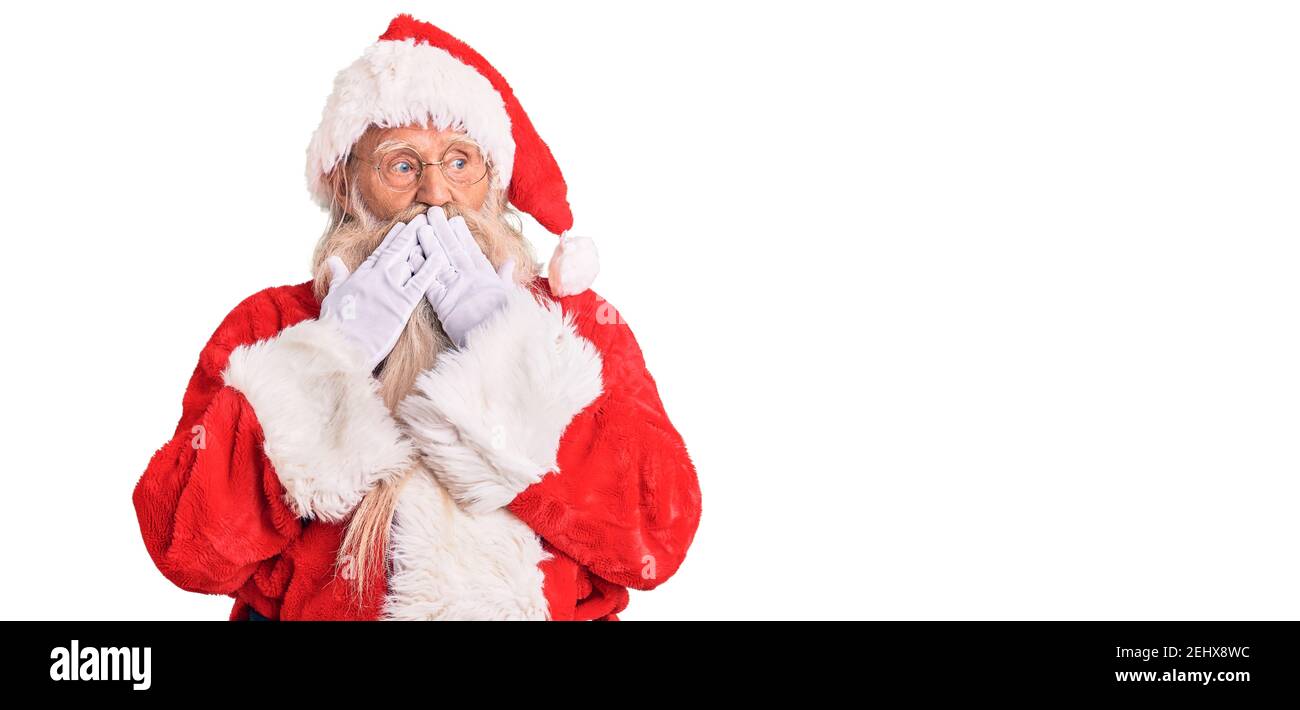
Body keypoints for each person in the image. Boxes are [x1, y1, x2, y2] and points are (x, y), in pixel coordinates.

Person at [131, 13, 702, 621]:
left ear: (495, 187)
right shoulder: (272, 325)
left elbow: (656, 535)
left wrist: (512, 351)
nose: (435, 194)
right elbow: (184, 547)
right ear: (349, 189)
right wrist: (327, 361)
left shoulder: (578, 325)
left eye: (459, 162)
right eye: (402, 166)